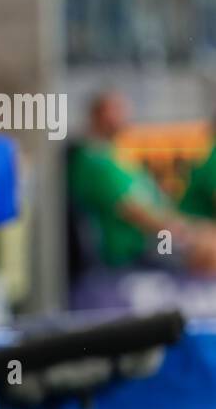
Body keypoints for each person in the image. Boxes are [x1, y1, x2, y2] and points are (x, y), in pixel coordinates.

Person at [68, 90, 216, 273]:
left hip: (154, 243)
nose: (124, 116)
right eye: (116, 109)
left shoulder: (115, 155)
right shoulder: (96, 162)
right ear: (96, 115)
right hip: (133, 254)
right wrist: (193, 234)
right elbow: (140, 215)